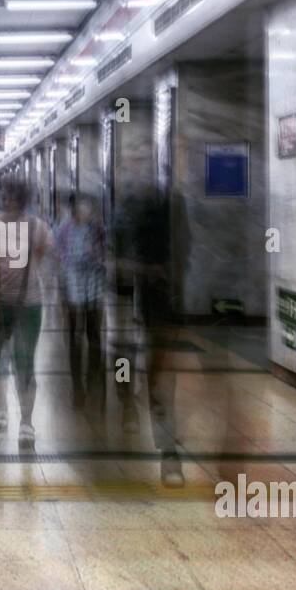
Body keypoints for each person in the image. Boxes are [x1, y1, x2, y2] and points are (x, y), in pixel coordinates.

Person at [113, 186, 184, 487]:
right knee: (124, 360)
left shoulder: (171, 205)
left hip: (159, 303)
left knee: (161, 379)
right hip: (126, 297)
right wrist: (141, 270)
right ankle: (128, 402)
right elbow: (115, 260)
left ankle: (169, 451)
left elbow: (183, 254)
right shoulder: (123, 211)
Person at [0, 179, 53, 450]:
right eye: (4, 194)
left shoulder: (37, 227)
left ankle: (26, 421)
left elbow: (42, 258)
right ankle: (1, 409)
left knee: (24, 362)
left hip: (29, 304)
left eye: (13, 195)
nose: (8, 200)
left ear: (23, 199)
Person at [55, 192, 106, 411]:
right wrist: (62, 294)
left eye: (88, 206)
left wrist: (97, 255)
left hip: (94, 285)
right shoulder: (64, 229)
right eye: (80, 206)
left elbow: (104, 255)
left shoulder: (97, 229)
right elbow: (59, 260)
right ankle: (77, 387)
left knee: (94, 335)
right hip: (73, 284)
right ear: (73, 208)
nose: (85, 210)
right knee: (75, 337)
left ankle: (94, 382)